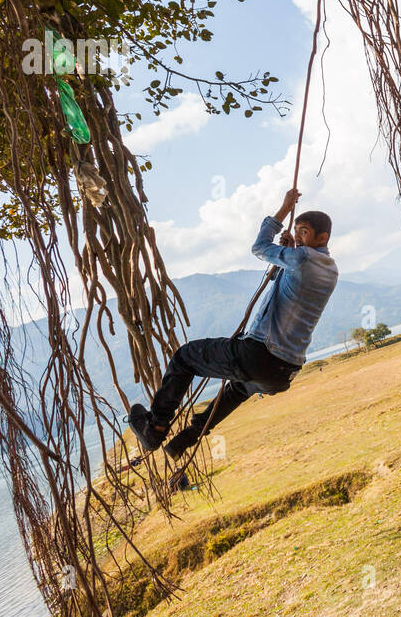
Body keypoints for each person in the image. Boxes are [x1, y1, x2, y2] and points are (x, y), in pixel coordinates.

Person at [129, 187, 339, 461]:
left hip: (260, 355)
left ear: (322, 237)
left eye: (304, 232)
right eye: (296, 230)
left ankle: (155, 426)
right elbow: (287, 286)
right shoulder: (330, 268)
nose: (298, 237)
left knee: (184, 358)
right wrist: (289, 251)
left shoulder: (300, 258)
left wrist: (284, 210)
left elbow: (260, 248)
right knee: (238, 389)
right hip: (283, 373)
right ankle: (184, 440)